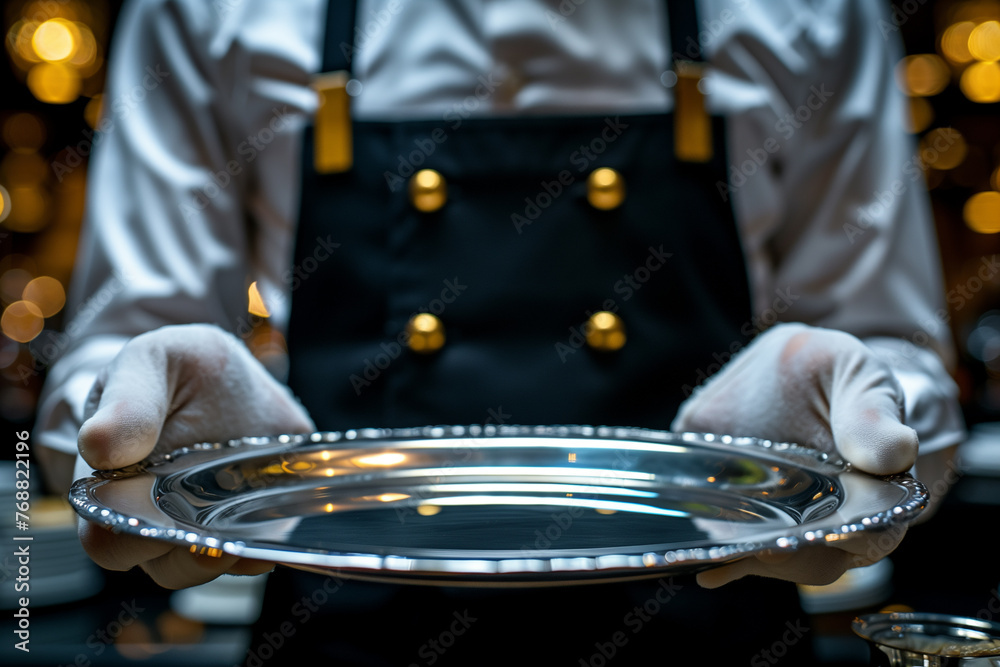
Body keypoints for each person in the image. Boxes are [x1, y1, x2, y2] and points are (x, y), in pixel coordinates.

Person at [35, 0, 965, 663]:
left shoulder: (821, 15)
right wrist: (154, 443)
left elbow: (887, 351)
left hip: (715, 623)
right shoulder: (204, 15)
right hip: (343, 630)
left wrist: (844, 438)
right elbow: (123, 358)